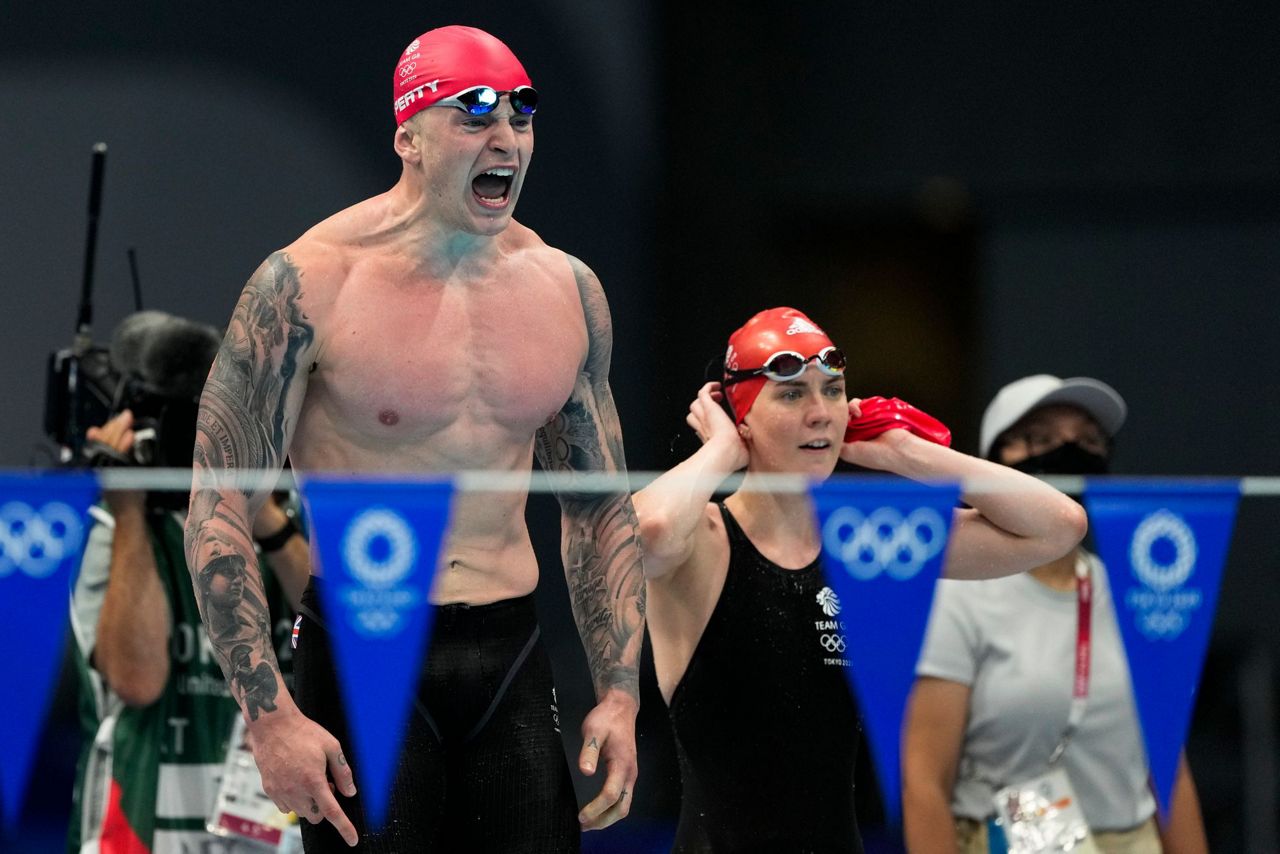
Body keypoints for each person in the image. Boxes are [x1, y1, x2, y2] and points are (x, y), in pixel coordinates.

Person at [182, 24, 645, 852]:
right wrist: (270, 717)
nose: (505, 139)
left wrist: (619, 693)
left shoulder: (566, 289)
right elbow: (217, 509)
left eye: (521, 117)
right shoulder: (308, 284)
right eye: (474, 116)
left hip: (509, 650)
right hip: (362, 651)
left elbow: (598, 509)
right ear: (409, 138)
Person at [632, 309, 1087, 852]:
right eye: (791, 394)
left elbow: (1058, 527)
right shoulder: (704, 540)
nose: (820, 413)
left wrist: (907, 453)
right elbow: (647, 533)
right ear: (741, 414)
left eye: (832, 391)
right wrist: (722, 450)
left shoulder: (865, 547)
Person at [902, 374, 1209, 853]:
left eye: (1088, 440)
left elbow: (1170, 769)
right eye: (1040, 438)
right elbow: (923, 781)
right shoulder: (958, 596)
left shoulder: (1136, 593)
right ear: (992, 465)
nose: (1069, 453)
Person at [68, 311, 309, 853]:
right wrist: (128, 509)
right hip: (143, 829)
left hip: (271, 834)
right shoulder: (113, 528)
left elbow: (344, 633)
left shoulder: (281, 525)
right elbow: (138, 681)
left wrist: (256, 507)